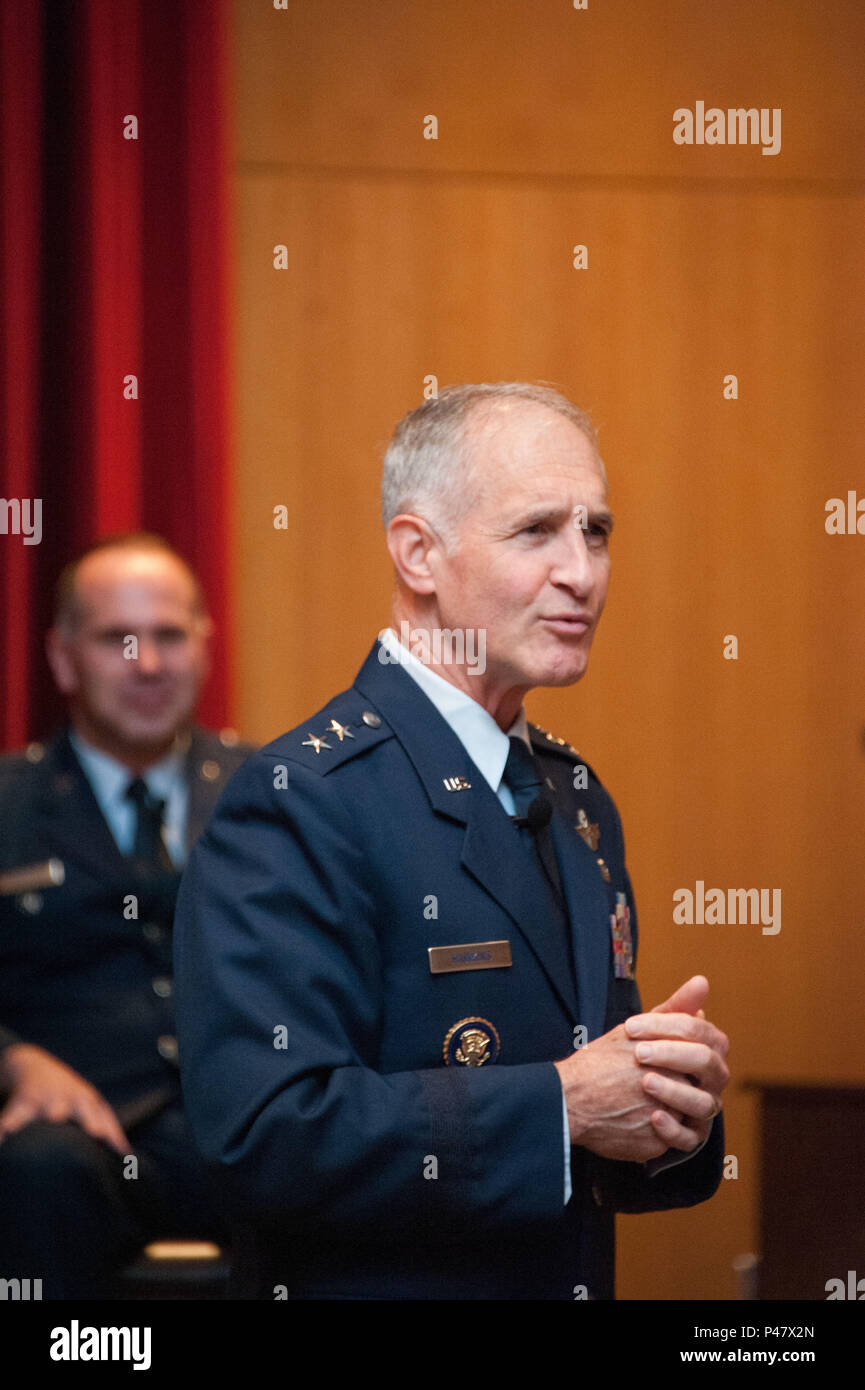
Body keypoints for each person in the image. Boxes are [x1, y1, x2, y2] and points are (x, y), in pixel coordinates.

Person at [174, 384, 730, 1300]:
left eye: (595, 532)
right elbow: (263, 1138)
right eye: (536, 532)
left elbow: (594, 1119)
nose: (581, 573)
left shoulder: (573, 793)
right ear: (418, 553)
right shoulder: (300, 799)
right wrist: (563, 1105)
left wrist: (670, 1099)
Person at [0, 533, 253, 1298]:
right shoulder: (9, 802)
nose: (149, 664)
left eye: (171, 635)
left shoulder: (275, 794)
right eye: (119, 639)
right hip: (77, 1138)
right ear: (63, 656)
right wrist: (12, 1060)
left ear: (206, 647)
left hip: (240, 1122)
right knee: (33, 1168)